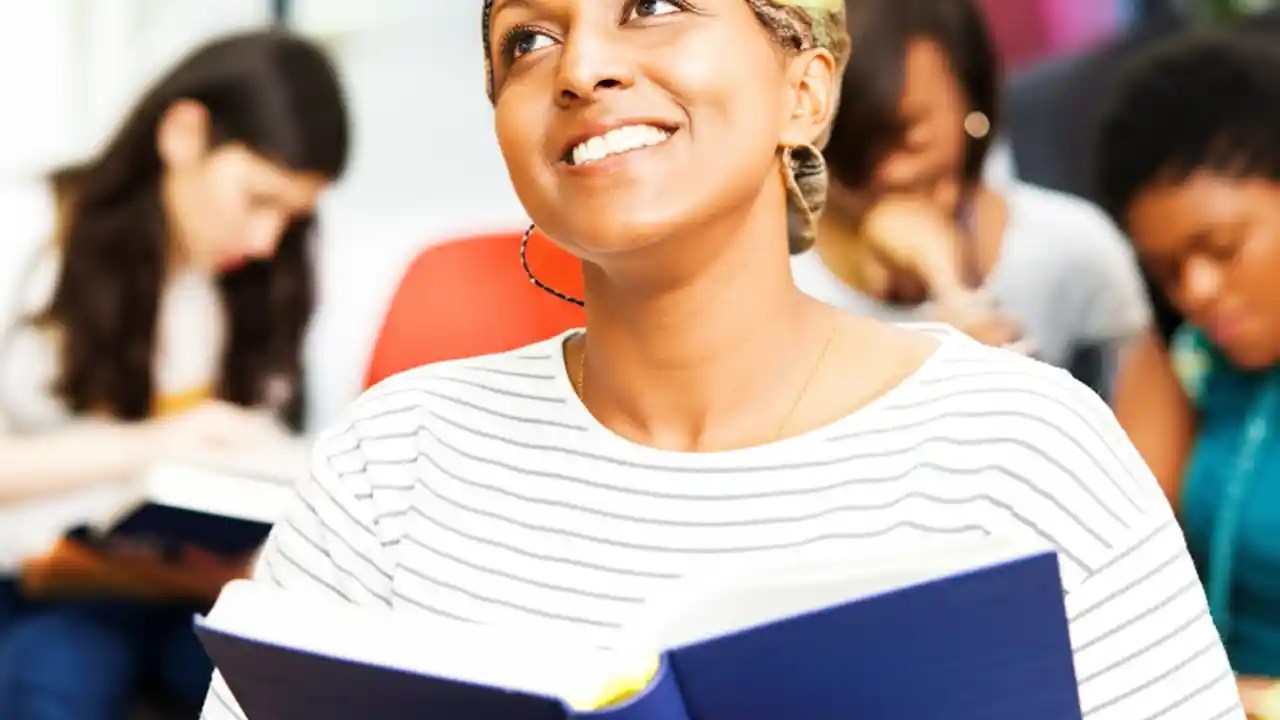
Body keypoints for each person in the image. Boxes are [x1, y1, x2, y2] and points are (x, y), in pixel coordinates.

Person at [203, 1, 1237, 718]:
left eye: (652, 5)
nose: (580, 68)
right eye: (526, 38)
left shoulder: (1020, 447)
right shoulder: (389, 460)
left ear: (804, 91)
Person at [0, 30, 349, 719]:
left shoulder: (257, 281)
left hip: (199, 590)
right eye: (257, 200)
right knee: (53, 685)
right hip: (50, 586)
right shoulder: (28, 230)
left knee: (286, 691)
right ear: (184, 134)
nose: (264, 242)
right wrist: (157, 444)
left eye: (291, 216)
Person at [791, 0, 1150, 402]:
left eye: (909, 132)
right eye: (855, 142)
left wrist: (957, 295)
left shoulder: (1069, 249)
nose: (890, 170)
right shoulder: (780, 285)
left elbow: (1147, 436)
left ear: (970, 92)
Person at [1101, 32, 1280, 717]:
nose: (1197, 290)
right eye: (1168, 269)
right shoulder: (1196, 356)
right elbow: (1115, 542)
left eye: (1222, 247)